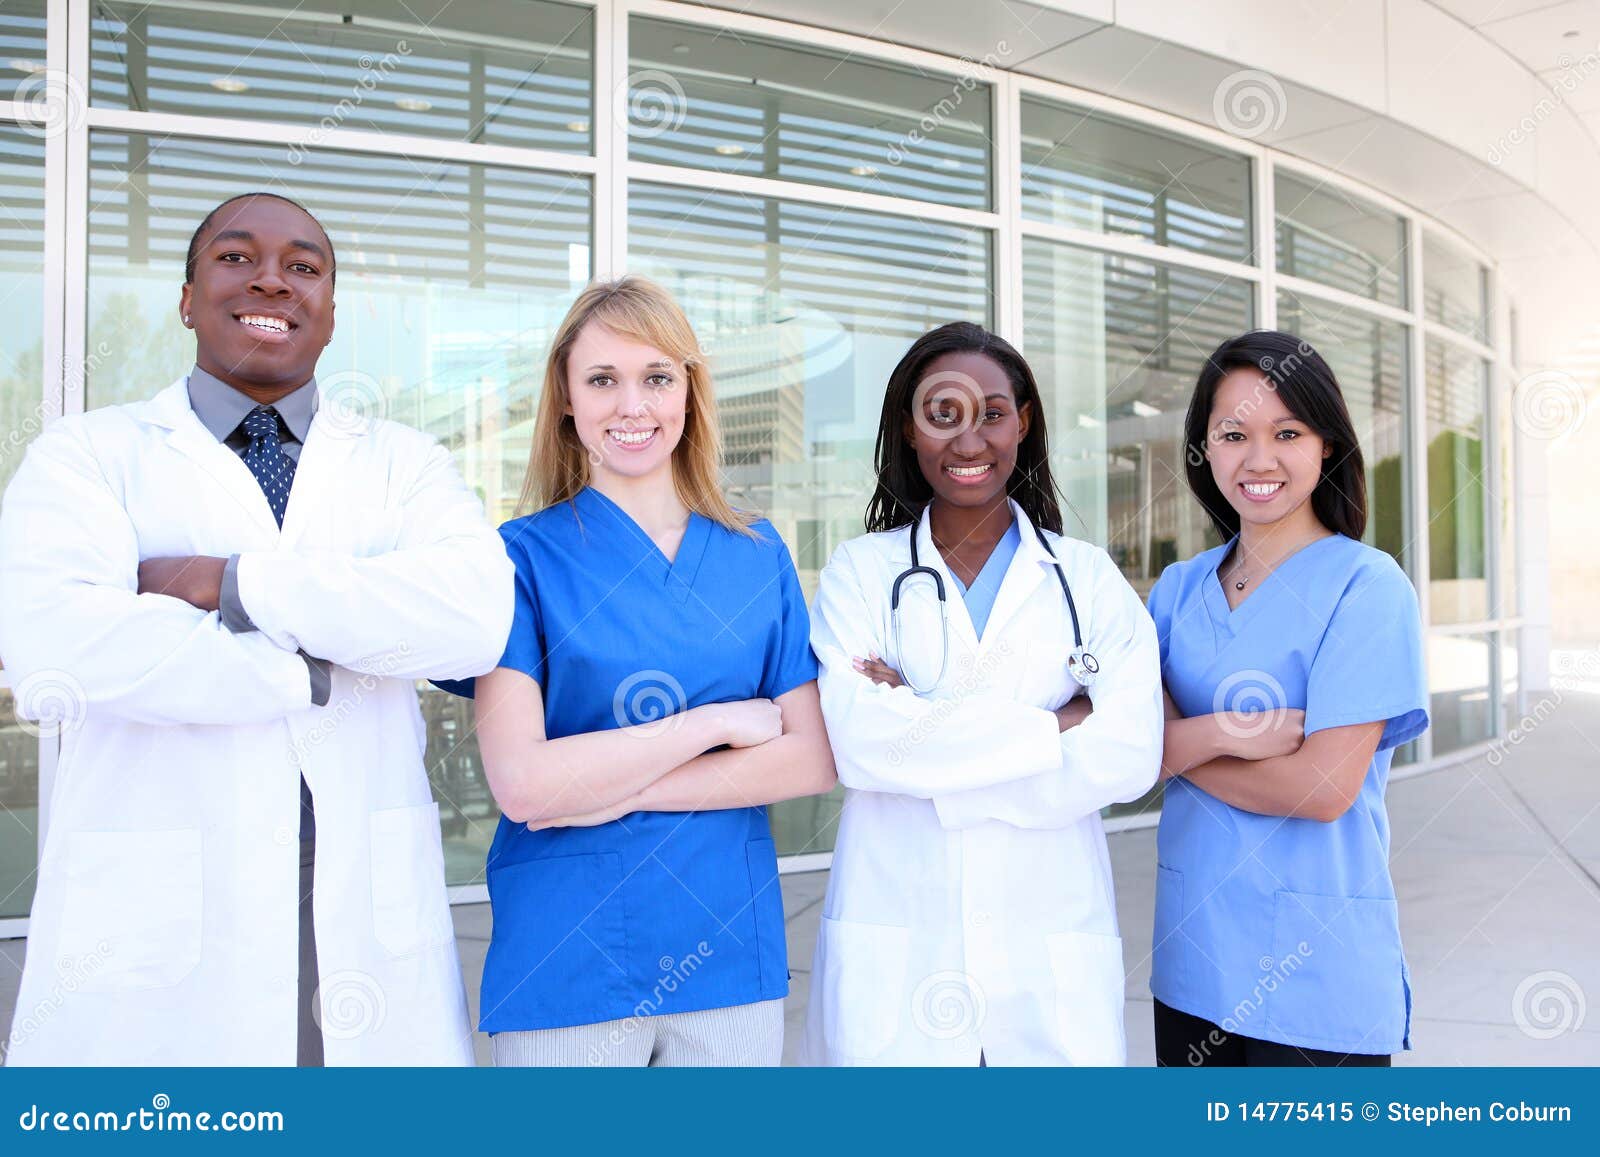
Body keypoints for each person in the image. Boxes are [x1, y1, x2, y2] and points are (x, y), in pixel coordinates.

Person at [0, 192, 513, 1066]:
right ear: (188, 297)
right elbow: (53, 644)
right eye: (236, 258)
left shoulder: (405, 463)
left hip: (361, 902)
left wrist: (226, 580)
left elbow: (471, 618)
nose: (272, 278)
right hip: (163, 915)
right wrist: (314, 664)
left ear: (331, 312)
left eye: (304, 266)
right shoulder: (87, 454)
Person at [441, 276, 835, 1067]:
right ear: (565, 397)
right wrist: (713, 726)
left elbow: (811, 757)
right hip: (567, 957)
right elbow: (524, 785)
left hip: (728, 948)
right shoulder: (514, 560)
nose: (632, 406)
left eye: (656, 378)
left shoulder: (756, 555)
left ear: (690, 392)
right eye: (602, 380)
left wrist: (605, 790)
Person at [801, 321, 1163, 1066]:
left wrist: (928, 740)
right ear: (908, 427)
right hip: (898, 952)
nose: (969, 442)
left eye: (993, 414)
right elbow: (861, 744)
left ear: (1023, 423)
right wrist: (1057, 725)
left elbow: (1129, 753)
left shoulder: (1086, 577)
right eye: (942, 414)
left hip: (1047, 957)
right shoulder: (861, 573)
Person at [1147, 330, 1429, 1067]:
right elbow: (1123, 750)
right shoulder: (1178, 590)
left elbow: (1324, 788)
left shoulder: (1367, 587)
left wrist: (1180, 745)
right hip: (1193, 959)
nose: (1259, 458)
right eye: (1233, 434)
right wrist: (1227, 732)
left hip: (1318, 973)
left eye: (1287, 432)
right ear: (1205, 449)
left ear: (1326, 445)